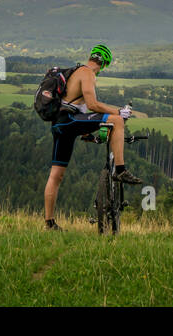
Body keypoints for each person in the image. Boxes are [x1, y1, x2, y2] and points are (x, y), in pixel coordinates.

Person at [43, 44, 140, 231]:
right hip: (70, 120)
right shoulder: (87, 73)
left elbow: (81, 109)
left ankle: (50, 223)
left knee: (56, 174)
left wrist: (87, 134)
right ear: (103, 64)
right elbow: (92, 105)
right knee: (118, 121)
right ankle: (120, 170)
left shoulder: (75, 72)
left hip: (60, 124)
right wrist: (118, 111)